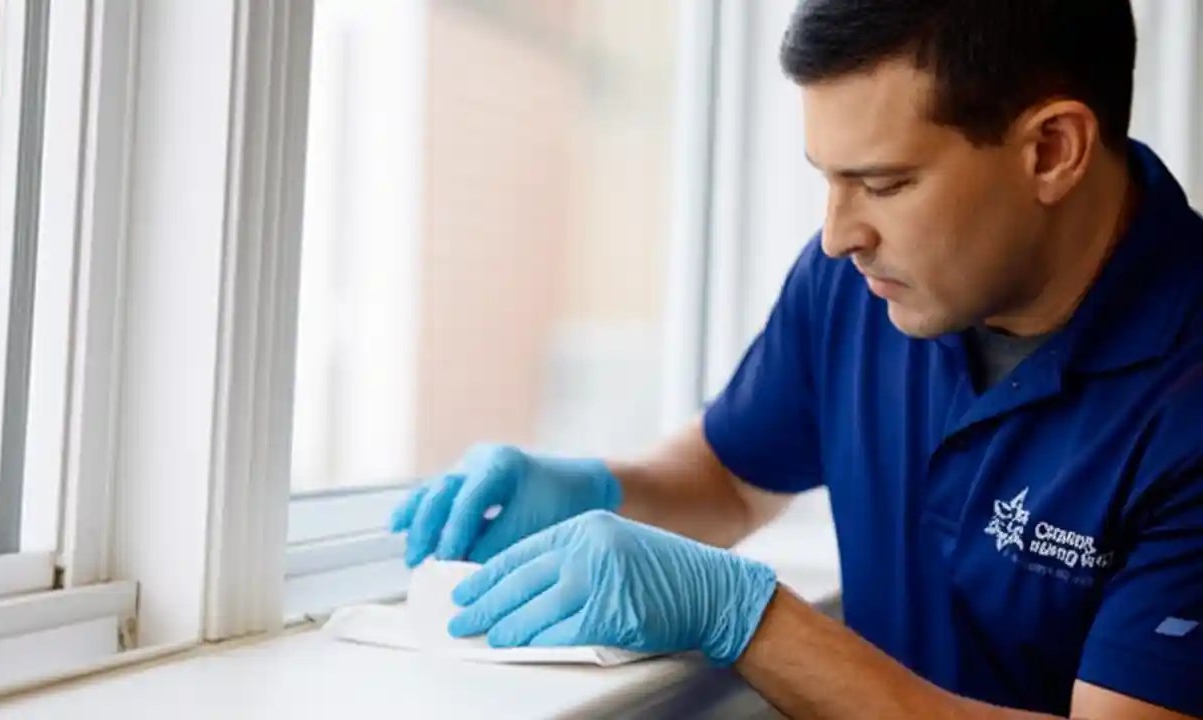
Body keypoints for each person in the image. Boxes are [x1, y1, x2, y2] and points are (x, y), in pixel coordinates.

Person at [390, 1, 1203, 717]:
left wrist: (745, 616)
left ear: (1052, 150)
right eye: (828, 178)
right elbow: (727, 478)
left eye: (882, 183)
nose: (838, 234)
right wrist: (593, 491)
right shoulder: (861, 284)